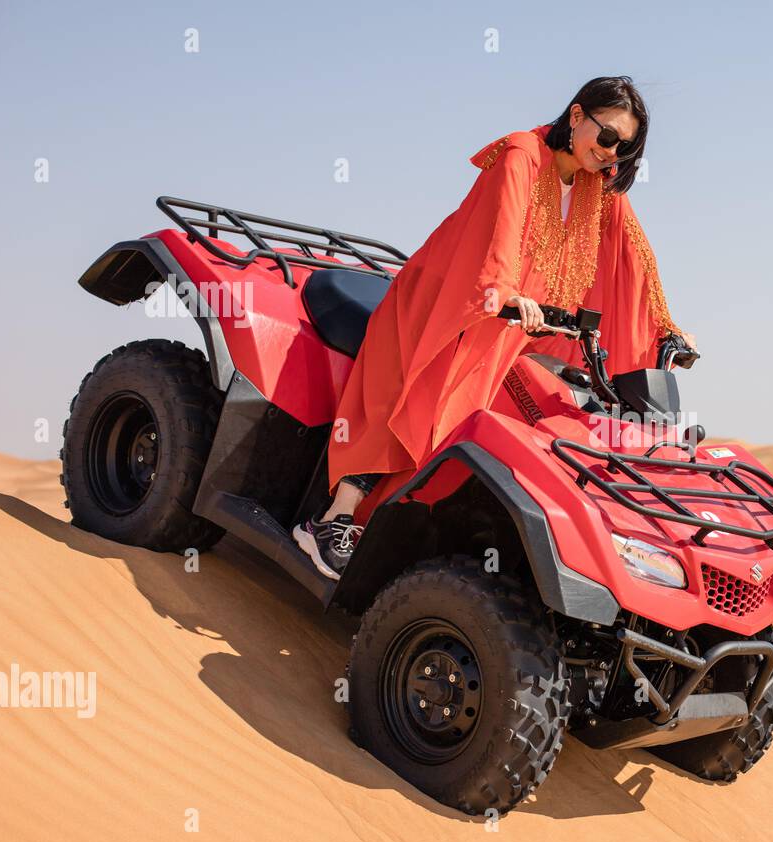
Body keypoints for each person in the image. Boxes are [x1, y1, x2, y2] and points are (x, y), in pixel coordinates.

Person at [293, 76, 693, 580]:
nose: (610, 152)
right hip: (449, 297)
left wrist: (665, 330)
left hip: (502, 322)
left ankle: (392, 535)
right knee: (414, 398)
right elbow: (499, 229)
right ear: (575, 116)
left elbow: (635, 258)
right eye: (606, 136)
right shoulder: (522, 154)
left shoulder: (598, 187)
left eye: (624, 147)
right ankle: (331, 520)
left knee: (473, 424)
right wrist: (503, 292)